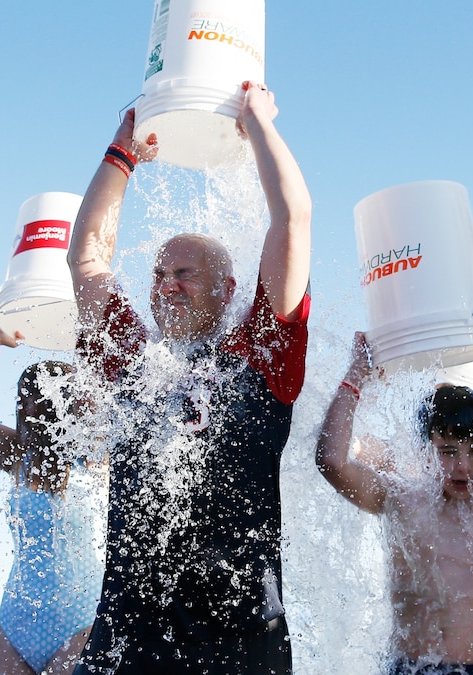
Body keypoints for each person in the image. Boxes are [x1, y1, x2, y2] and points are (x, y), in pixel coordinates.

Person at [69, 80, 310, 673]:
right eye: (158, 274)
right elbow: (86, 260)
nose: (166, 283)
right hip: (131, 632)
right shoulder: (133, 361)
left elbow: (293, 217)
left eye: (185, 273)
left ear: (229, 290)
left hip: (242, 635)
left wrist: (258, 124)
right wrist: (120, 156)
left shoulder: (262, 355)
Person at [315, 307, 473, 674]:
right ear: (424, 452)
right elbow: (331, 462)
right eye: (447, 452)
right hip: (412, 668)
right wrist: (357, 375)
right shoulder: (399, 500)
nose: (463, 465)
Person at [0, 319, 105, 675]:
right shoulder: (17, 456)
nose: (27, 408)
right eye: (23, 398)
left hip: (82, 619)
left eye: (38, 399)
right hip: (16, 620)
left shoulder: (96, 458)